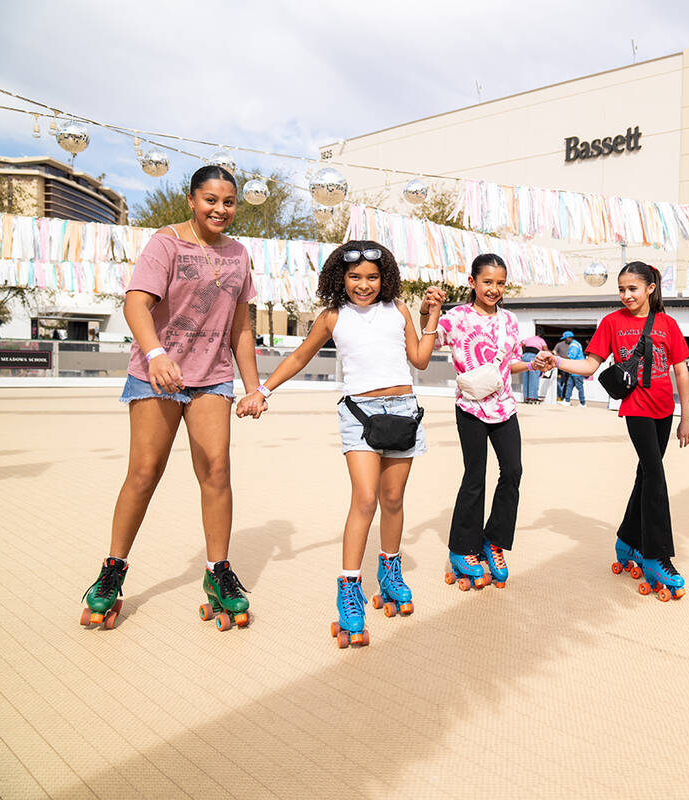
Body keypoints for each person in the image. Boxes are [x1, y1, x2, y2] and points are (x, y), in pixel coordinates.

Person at [80, 166, 260, 631]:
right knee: (143, 472)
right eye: (210, 200)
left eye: (229, 202)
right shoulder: (166, 242)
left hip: (210, 377)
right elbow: (135, 303)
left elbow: (241, 326)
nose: (220, 209)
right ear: (192, 200)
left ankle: (218, 572)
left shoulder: (240, 255)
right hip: (156, 374)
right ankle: (111, 572)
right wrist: (156, 353)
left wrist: (253, 385)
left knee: (216, 470)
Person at [237, 242, 441, 647]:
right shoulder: (333, 316)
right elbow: (299, 357)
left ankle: (390, 570)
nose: (363, 285)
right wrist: (262, 390)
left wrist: (431, 316)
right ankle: (349, 588)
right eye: (354, 277)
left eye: (371, 277)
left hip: (402, 409)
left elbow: (419, 358)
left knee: (394, 500)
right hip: (360, 414)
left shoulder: (397, 310)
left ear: (385, 279)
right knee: (365, 499)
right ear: (340, 278)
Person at [536, 261, 689, 601]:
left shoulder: (668, 324)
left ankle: (627, 540)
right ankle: (656, 555)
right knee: (655, 474)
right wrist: (558, 361)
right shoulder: (612, 323)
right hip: (636, 408)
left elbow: (680, 372)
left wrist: (687, 417)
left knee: (645, 476)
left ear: (650, 288)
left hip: (665, 410)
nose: (626, 295)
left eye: (632, 289)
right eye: (621, 289)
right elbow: (591, 364)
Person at [427, 253, 531, 591]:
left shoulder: (510, 321)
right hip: (470, 406)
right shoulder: (456, 317)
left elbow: (508, 364)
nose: (494, 289)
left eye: (500, 283)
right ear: (472, 282)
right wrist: (428, 309)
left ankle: (493, 541)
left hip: (504, 406)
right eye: (488, 282)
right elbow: (429, 339)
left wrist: (531, 365)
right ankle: (462, 548)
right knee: (475, 476)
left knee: (513, 471)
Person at [561, 333, 587, 406]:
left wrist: (559, 359)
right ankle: (567, 401)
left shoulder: (573, 345)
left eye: (565, 339)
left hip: (577, 369)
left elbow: (571, 357)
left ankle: (583, 403)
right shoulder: (576, 344)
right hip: (574, 369)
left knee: (579, 386)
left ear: (569, 337)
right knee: (569, 385)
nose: (565, 341)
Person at [553, 332, 574, 402]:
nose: (565, 339)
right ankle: (559, 397)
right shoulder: (559, 344)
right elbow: (554, 352)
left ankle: (564, 398)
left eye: (566, 338)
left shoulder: (573, 345)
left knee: (567, 383)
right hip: (560, 367)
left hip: (570, 366)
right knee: (559, 383)